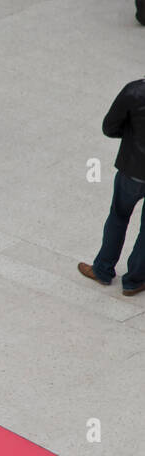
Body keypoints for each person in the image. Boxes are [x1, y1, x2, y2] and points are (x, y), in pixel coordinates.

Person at [79, 78, 145, 296]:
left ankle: (103, 269)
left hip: (132, 169)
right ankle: (135, 280)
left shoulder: (135, 91)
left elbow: (109, 127)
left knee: (119, 215)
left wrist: (129, 135)